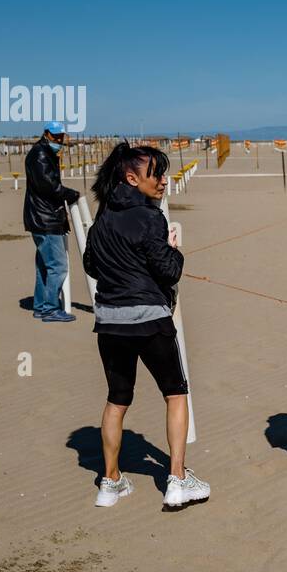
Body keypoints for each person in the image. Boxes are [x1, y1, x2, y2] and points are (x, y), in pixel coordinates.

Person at [81, 142, 210, 510]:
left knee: (117, 399)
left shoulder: (103, 216)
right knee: (175, 393)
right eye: (157, 174)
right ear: (131, 177)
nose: (163, 181)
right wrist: (172, 249)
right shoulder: (150, 217)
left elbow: (91, 265)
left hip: (109, 322)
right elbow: (168, 271)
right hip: (150, 319)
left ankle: (110, 482)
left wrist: (122, 267)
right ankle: (177, 479)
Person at [24, 121, 82, 322]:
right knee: (58, 266)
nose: (59, 139)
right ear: (46, 133)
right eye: (56, 135)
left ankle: (41, 306)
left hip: (42, 217)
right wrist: (71, 194)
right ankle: (49, 308)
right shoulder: (40, 155)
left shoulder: (44, 153)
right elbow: (50, 187)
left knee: (44, 267)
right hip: (45, 219)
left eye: (61, 136)